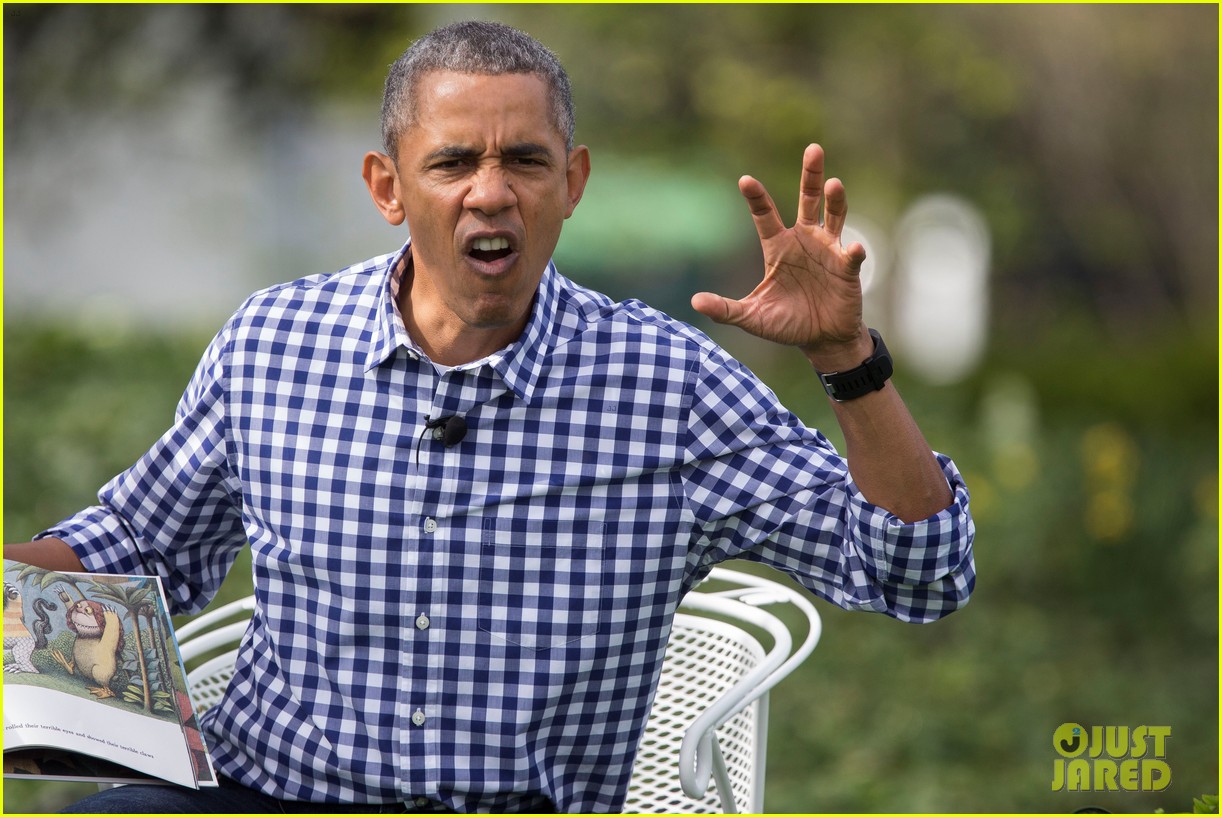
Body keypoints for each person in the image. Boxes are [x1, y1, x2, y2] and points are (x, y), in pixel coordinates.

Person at [6, 20, 975, 814]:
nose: (490, 190)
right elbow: (141, 540)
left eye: (524, 159)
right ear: (388, 187)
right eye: (453, 161)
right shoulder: (274, 342)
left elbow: (915, 572)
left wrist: (844, 359)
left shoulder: (666, 386)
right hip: (260, 791)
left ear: (572, 183)